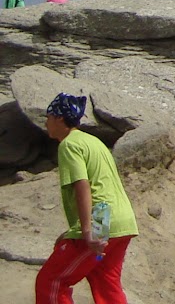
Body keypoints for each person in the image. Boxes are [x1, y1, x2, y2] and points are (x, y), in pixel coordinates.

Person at [36, 92, 138, 304]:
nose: (45, 123)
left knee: (51, 280)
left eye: (48, 117)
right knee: (105, 280)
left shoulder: (69, 144)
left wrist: (87, 231)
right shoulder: (93, 141)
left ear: (60, 118)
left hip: (102, 218)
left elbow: (83, 185)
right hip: (122, 219)